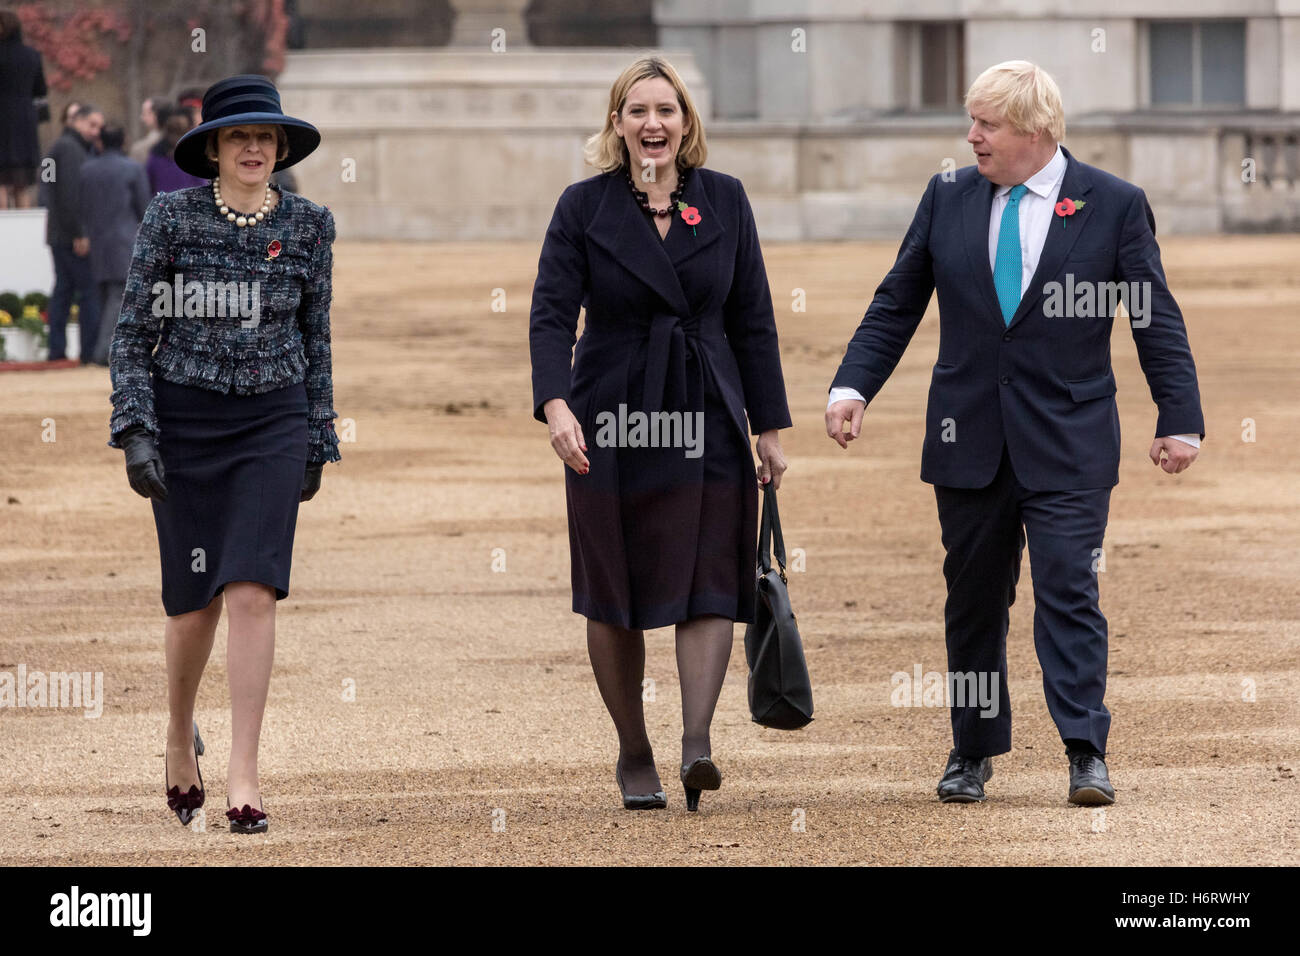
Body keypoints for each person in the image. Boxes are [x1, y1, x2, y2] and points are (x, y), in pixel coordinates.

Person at [825, 61, 1204, 806]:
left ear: (1035, 130)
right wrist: (852, 385)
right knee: (972, 602)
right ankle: (972, 750)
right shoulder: (948, 196)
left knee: (1067, 589)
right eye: (972, 121)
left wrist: (1179, 416)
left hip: (1070, 439)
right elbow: (897, 300)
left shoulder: (1114, 204)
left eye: (986, 124)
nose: (972, 137)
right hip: (968, 438)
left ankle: (1084, 750)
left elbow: (1152, 315)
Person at [529, 55, 792, 813]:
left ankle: (697, 743)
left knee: (710, 575)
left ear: (687, 124)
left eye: (667, 110)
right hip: (608, 411)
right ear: (616, 124)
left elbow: (754, 319)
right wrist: (555, 405)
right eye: (638, 110)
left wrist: (767, 428)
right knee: (614, 590)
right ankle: (634, 751)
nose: (653, 124)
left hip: (706, 406)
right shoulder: (583, 208)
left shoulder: (727, 200)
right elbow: (551, 314)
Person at [107, 74, 340, 834]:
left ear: (279, 148)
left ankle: (244, 771)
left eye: (264, 136)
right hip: (185, 422)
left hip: (272, 420)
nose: (251, 147)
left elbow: (317, 341)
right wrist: (136, 430)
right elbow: (134, 332)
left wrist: (316, 433)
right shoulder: (170, 217)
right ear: (212, 148)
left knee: (252, 588)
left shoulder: (310, 225)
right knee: (193, 601)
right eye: (238, 136)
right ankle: (179, 735)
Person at [79, 124, 151, 366]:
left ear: (100, 142)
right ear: (124, 140)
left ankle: (90, 349)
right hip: (124, 239)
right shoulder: (133, 169)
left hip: (96, 240)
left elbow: (81, 205)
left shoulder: (87, 170)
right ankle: (102, 353)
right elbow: (144, 206)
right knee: (118, 298)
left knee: (99, 296)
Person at [40, 104, 103, 362]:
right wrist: (80, 232)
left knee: (63, 291)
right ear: (76, 121)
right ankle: (88, 351)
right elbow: (70, 194)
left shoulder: (56, 147)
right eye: (92, 125)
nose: (96, 132)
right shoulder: (71, 149)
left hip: (58, 232)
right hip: (70, 235)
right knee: (87, 291)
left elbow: (47, 185)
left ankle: (57, 350)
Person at [0, 10, 47, 210]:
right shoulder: (32, 56)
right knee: (22, 184)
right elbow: (41, 90)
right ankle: (24, 236)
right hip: (25, 124)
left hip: (2, 121)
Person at [146, 112, 206, 194]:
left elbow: (149, 184)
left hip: (163, 203)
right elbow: (202, 184)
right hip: (190, 202)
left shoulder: (155, 155)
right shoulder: (194, 155)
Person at [128, 96, 167, 164]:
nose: (141, 118)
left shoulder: (139, 149)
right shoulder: (179, 139)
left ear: (156, 115)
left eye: (144, 114)